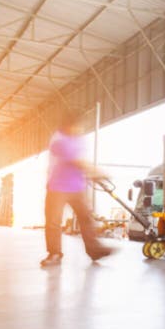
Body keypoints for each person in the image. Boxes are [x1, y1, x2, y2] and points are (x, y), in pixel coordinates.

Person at [40, 110, 113, 267]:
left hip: (78, 187)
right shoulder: (58, 139)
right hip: (57, 187)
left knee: (86, 218)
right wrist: (99, 172)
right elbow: (77, 161)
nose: (79, 130)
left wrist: (92, 173)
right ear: (67, 125)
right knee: (53, 221)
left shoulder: (79, 139)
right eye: (76, 127)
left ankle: (95, 251)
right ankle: (54, 253)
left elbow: (82, 161)